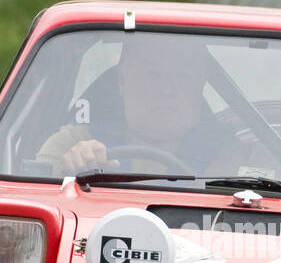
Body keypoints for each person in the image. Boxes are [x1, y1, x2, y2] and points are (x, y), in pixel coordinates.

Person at [36, 37, 240, 175]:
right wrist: (67, 171)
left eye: (183, 76)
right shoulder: (75, 144)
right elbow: (34, 193)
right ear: (122, 81)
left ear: (200, 85)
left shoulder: (237, 156)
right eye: (152, 74)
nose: (166, 90)